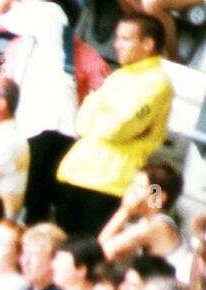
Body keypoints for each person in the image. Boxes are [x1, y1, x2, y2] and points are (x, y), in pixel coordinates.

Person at [55, 15, 172, 236]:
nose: (116, 44)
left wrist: (98, 113)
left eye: (125, 38)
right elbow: (81, 121)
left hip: (108, 183)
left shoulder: (156, 84)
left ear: (147, 44)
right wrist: (101, 115)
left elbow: (116, 129)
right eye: (117, 38)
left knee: (84, 257)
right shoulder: (119, 76)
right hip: (78, 173)